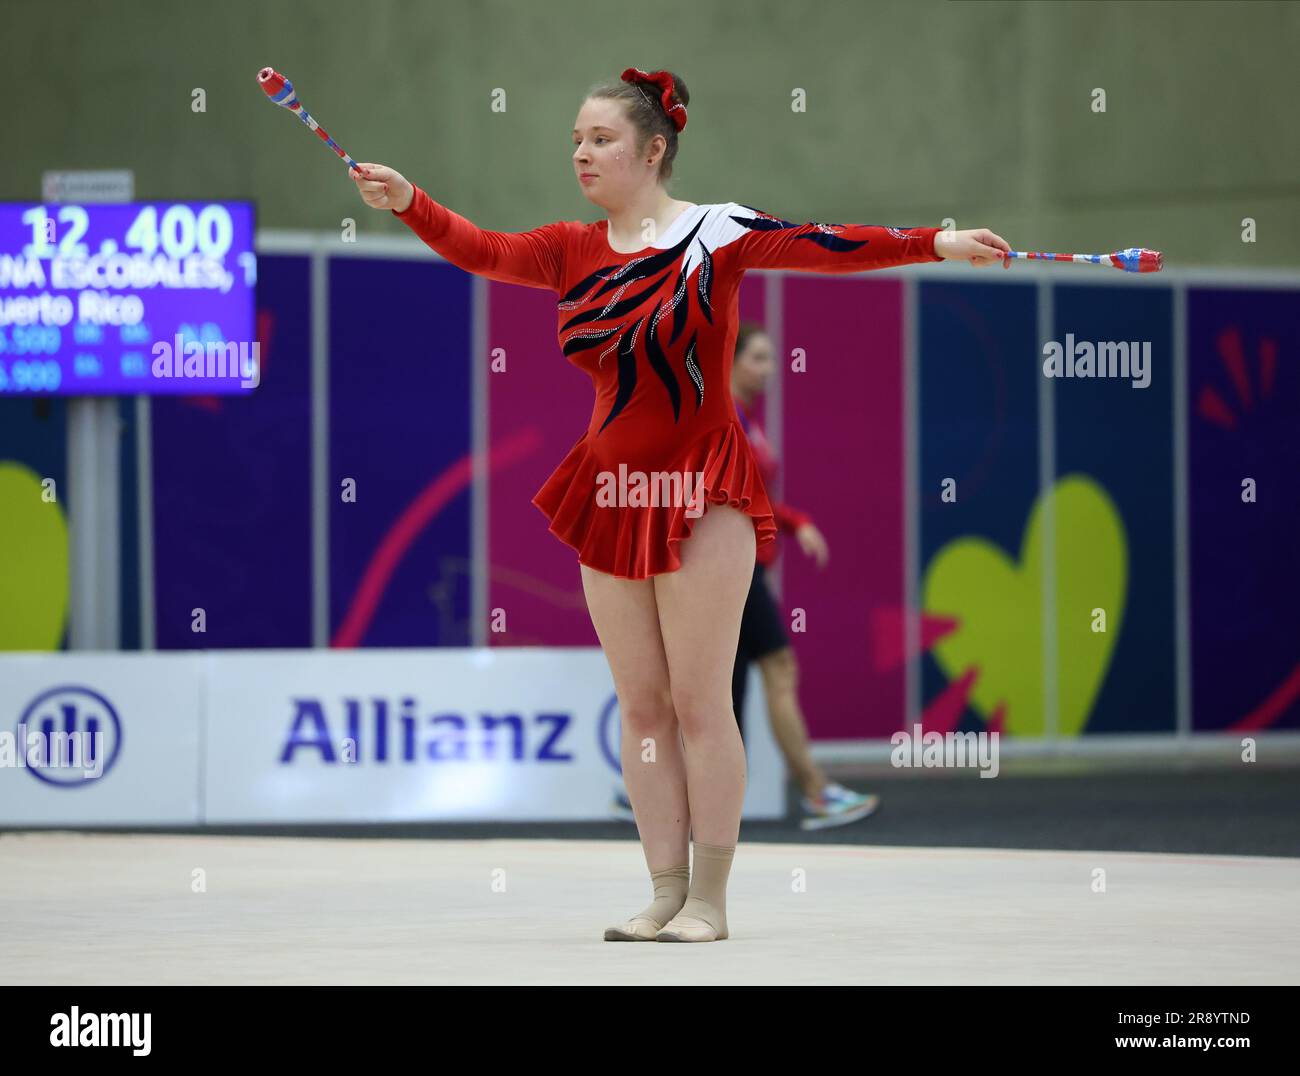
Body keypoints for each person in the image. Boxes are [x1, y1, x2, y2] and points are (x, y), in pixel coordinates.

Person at [352, 67, 1009, 943]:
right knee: (644, 708)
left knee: (704, 704)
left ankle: (711, 899)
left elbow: (830, 242)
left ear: (654, 148)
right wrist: (408, 201)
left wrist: (938, 241)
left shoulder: (719, 233)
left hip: (703, 487)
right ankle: (663, 889)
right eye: (576, 141)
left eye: (601, 140)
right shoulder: (566, 249)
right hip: (611, 491)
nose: (582, 153)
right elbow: (483, 249)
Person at [730, 322, 881, 830]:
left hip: (743, 569)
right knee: (777, 669)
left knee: (728, 692)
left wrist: (796, 522)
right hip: (734, 571)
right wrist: (794, 524)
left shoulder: (746, 419)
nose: (771, 369)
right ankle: (816, 792)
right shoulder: (727, 419)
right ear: (730, 361)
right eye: (759, 358)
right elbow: (737, 500)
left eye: (773, 358)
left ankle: (669, 806)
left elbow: (757, 499)